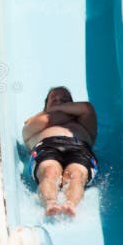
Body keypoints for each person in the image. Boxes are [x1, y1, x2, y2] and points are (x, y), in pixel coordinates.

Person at [22, 86, 98, 217]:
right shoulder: (34, 124)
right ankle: (50, 204)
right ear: (46, 106)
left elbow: (87, 108)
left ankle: (70, 204)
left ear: (73, 104)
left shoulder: (85, 122)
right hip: (47, 146)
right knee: (49, 172)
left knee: (76, 175)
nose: (59, 101)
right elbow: (46, 119)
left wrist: (54, 109)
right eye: (54, 99)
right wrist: (64, 112)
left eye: (65, 100)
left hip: (79, 147)